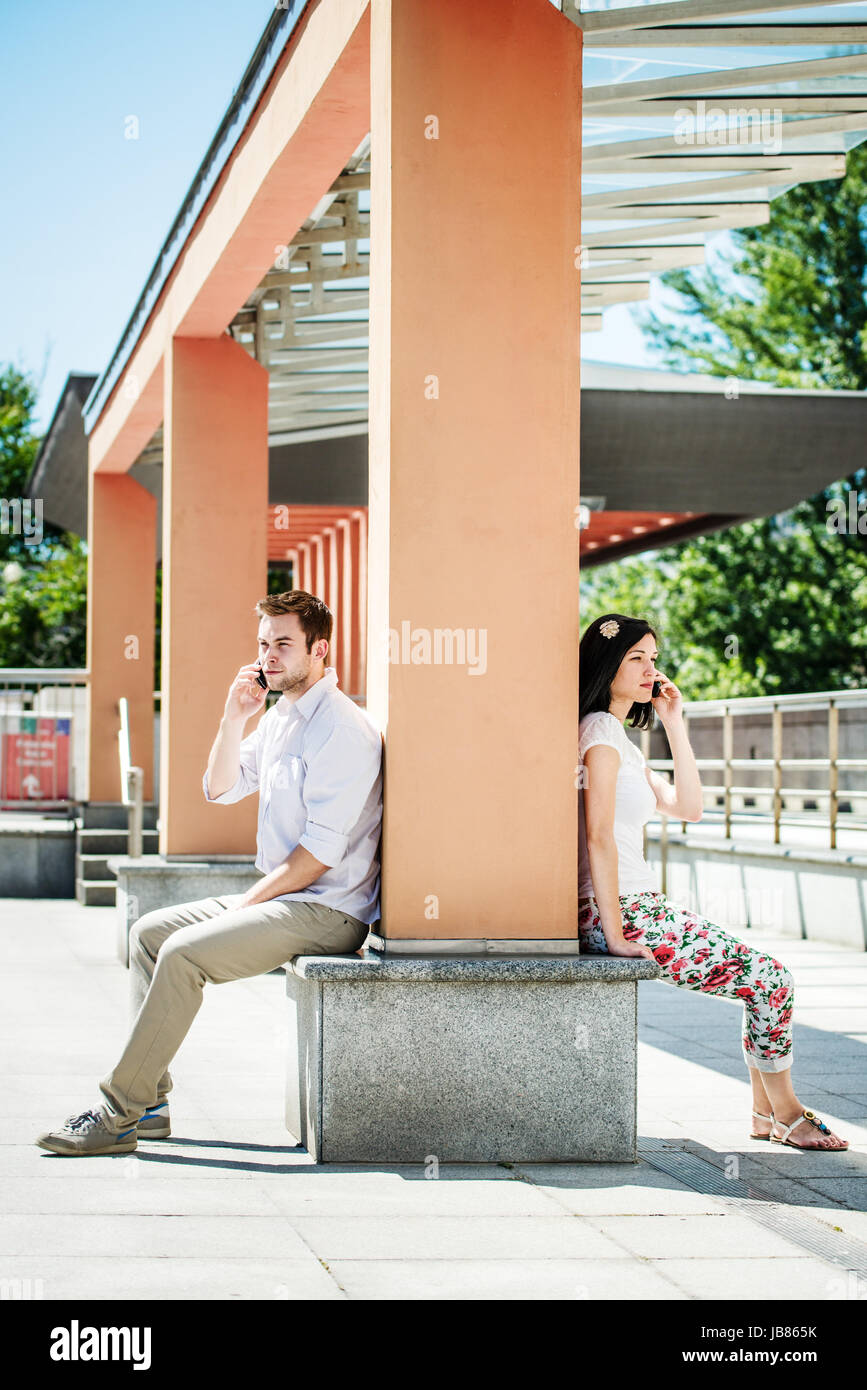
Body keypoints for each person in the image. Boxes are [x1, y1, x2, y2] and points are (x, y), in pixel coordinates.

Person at [37, 590, 383, 1157]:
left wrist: (248, 902)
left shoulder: (342, 730)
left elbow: (319, 856)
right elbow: (220, 788)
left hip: (328, 909)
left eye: (284, 645)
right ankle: (151, 1105)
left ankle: (116, 1112)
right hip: (284, 899)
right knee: (149, 933)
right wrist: (233, 717)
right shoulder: (280, 720)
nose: (269, 657)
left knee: (184, 953)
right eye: (263, 644)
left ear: (320, 650)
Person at [577, 612, 848, 1152]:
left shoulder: (619, 741)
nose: (650, 669)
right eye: (636, 658)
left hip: (638, 904)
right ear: (605, 665)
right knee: (770, 980)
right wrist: (612, 931)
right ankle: (785, 1112)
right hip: (625, 910)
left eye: (653, 658)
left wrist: (675, 724)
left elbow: (689, 807)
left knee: (764, 982)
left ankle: (766, 1114)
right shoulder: (600, 733)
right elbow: (598, 836)